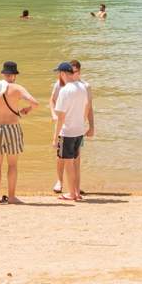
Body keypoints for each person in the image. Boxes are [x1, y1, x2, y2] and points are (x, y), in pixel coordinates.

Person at [0, 61, 39, 204]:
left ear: (3, 74)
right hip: (12, 128)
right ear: (14, 75)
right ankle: (11, 197)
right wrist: (27, 109)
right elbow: (35, 103)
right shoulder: (17, 88)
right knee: (12, 165)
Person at [49, 60, 94, 194]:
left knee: (70, 161)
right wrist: (81, 120)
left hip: (68, 130)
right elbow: (87, 107)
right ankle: (71, 188)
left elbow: (62, 117)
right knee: (69, 158)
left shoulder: (72, 88)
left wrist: (55, 137)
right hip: (78, 129)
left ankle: (73, 192)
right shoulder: (80, 87)